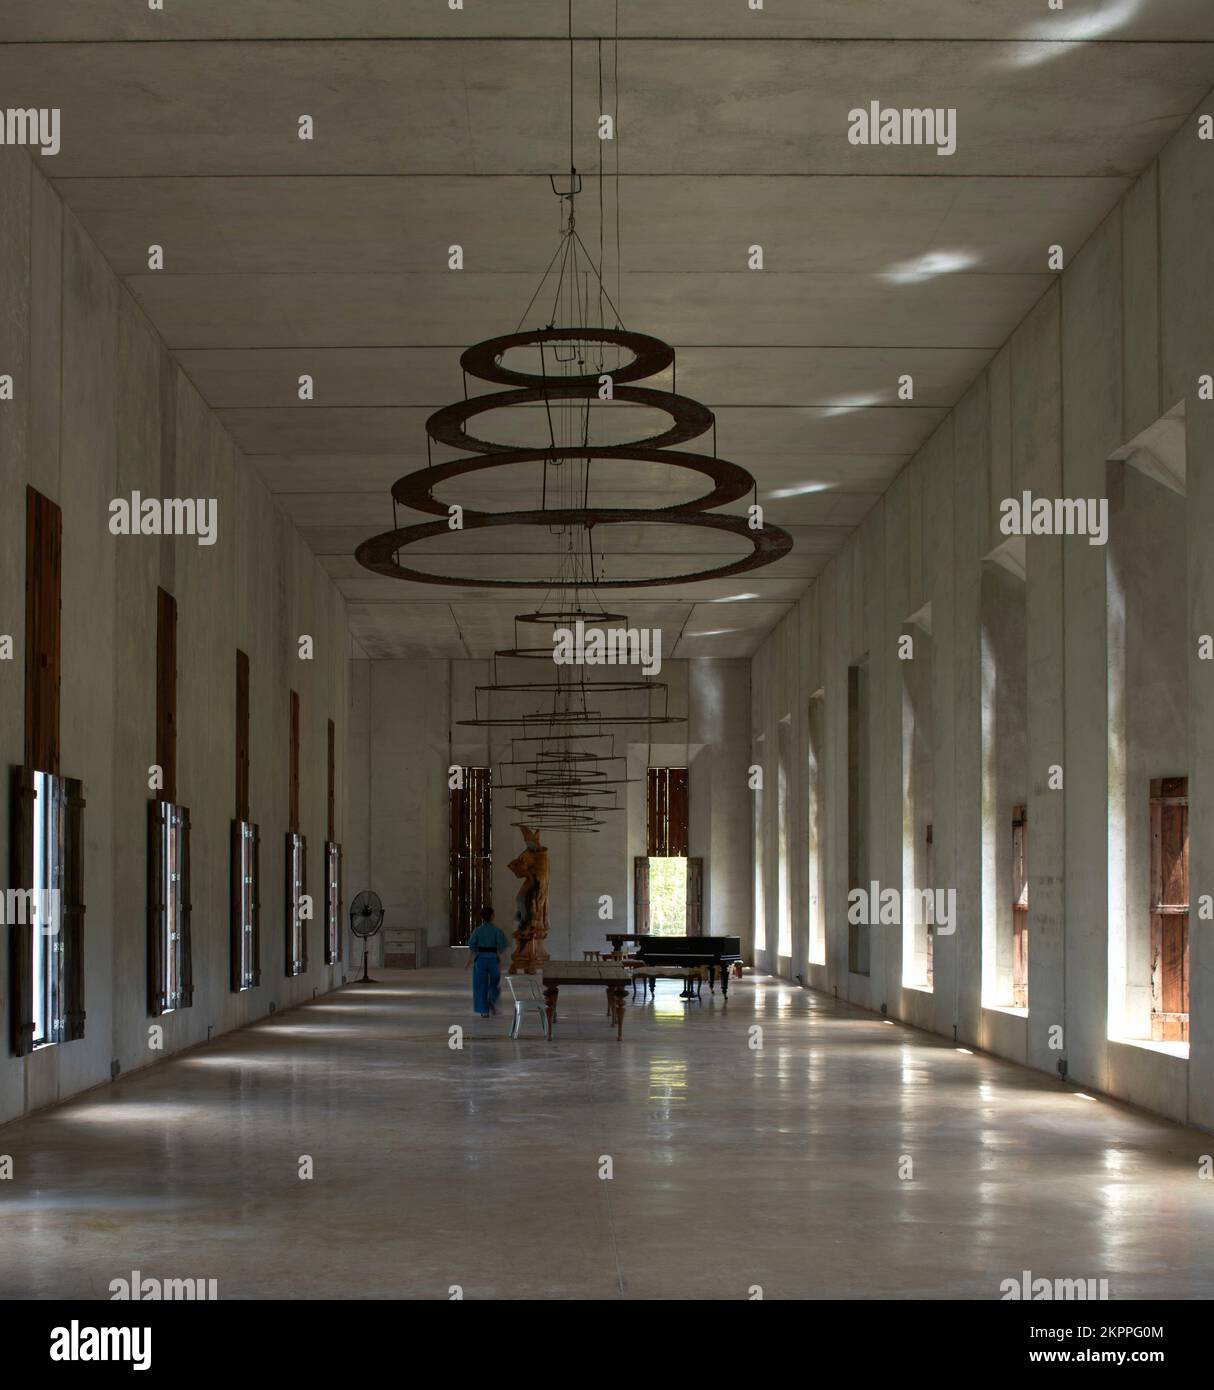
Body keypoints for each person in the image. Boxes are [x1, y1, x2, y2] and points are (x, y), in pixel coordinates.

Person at [464, 906, 509, 1017]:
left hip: (480, 961)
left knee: (480, 985)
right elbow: (502, 948)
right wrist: (503, 963)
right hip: (493, 960)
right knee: (494, 983)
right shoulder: (497, 931)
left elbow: (472, 947)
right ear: (492, 916)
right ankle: (492, 999)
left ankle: (484, 1011)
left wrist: (469, 961)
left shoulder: (477, 931)